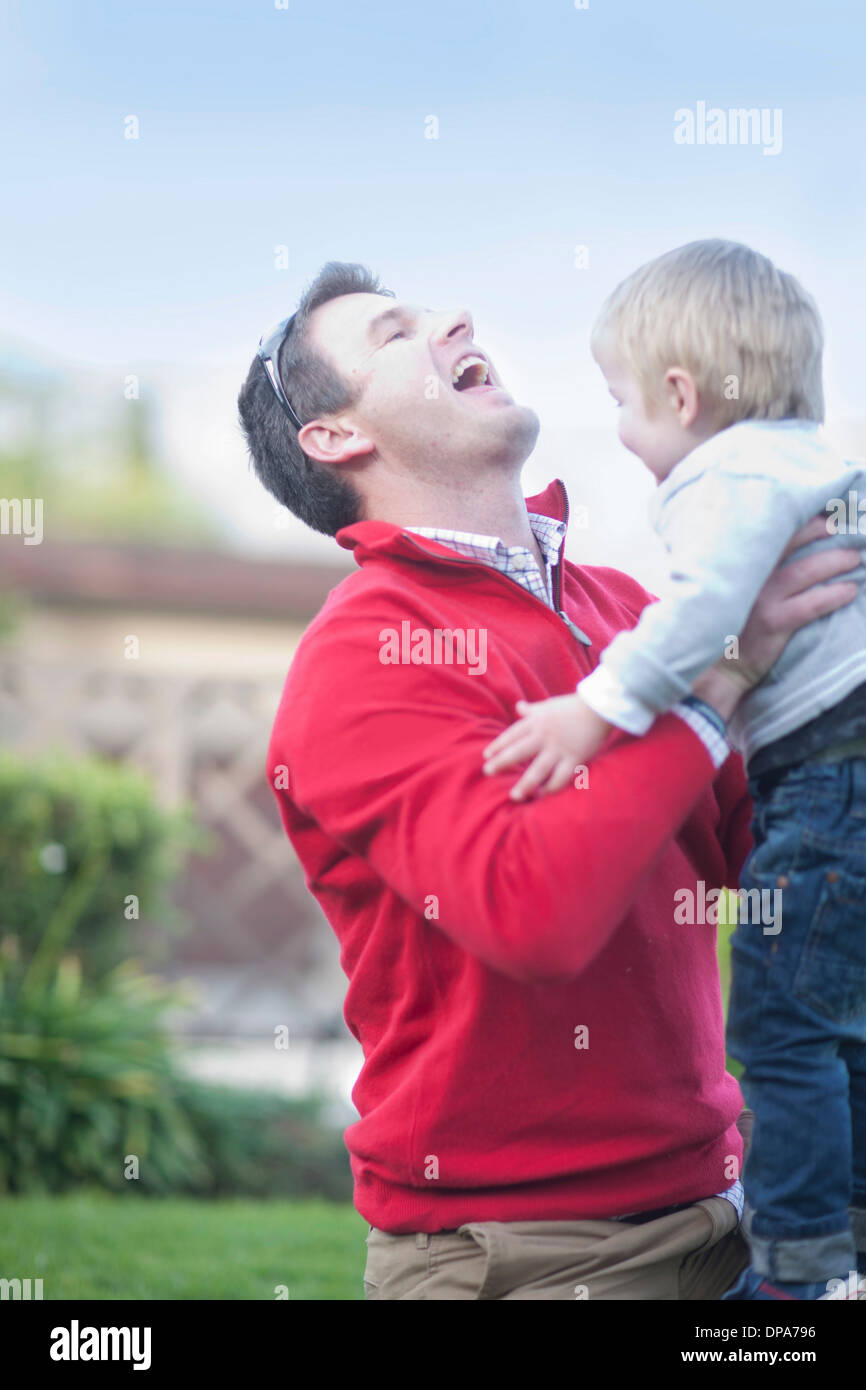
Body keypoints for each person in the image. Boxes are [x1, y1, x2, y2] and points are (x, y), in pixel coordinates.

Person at [237, 262, 860, 1300]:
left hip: (734, 1210)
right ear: (334, 436)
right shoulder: (363, 656)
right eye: (395, 333)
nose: (453, 319)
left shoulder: (629, 609)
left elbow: (774, 861)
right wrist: (715, 683)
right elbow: (533, 914)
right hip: (530, 1256)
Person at [483, 240, 866, 1299]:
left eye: (619, 401)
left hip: (826, 776)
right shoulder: (812, 464)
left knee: (783, 1025)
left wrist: (591, 708)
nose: (615, 428)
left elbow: (701, 611)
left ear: (679, 395)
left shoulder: (722, 475)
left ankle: (798, 1271)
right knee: (842, 1019)